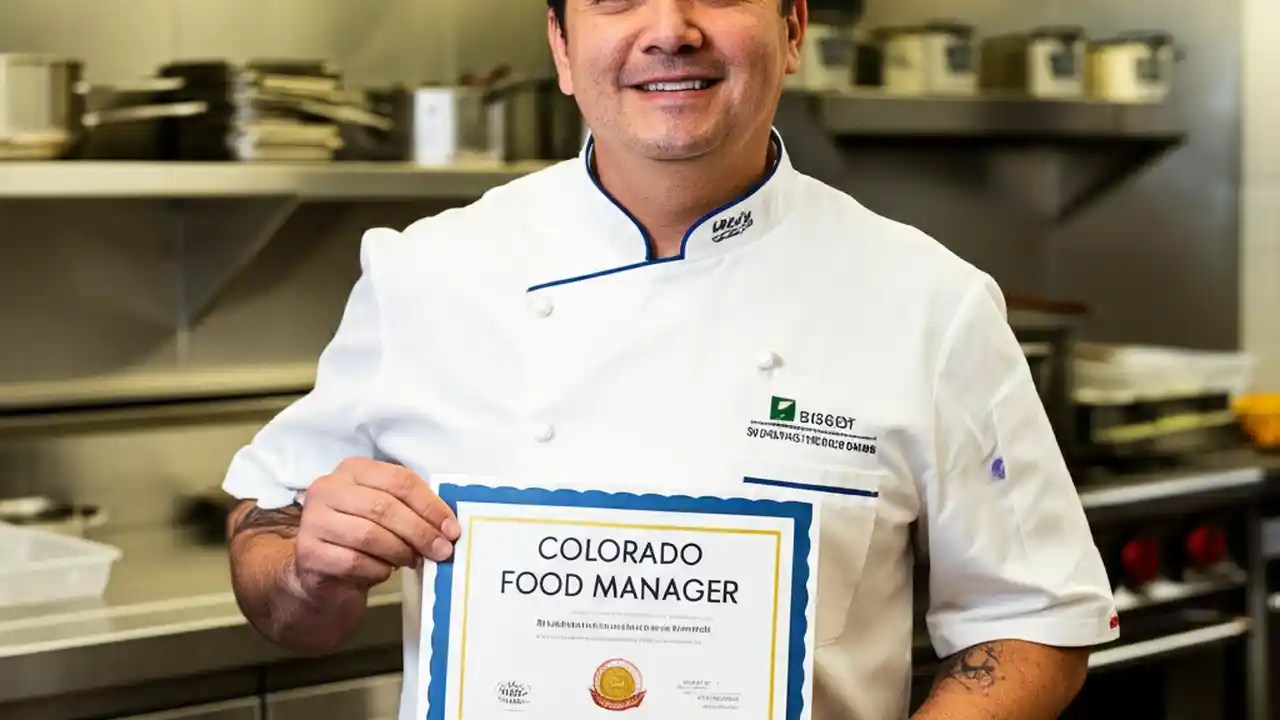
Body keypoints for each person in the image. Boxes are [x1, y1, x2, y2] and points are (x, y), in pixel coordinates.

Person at [221, 0, 1120, 718]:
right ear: (564, 49)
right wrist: (308, 567)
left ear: (794, 28)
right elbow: (269, 546)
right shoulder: (427, 271)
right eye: (617, 0)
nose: (668, 30)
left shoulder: (930, 300)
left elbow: (1034, 620)